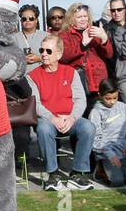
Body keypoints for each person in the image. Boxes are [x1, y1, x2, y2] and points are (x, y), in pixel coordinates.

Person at [26, 34, 95, 191]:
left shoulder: (71, 72)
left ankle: (77, 173)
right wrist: (53, 118)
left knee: (88, 127)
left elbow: (80, 99)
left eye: (48, 51)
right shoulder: (32, 76)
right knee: (43, 128)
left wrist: (72, 118)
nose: (43, 54)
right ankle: (53, 174)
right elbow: (35, 104)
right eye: (41, 50)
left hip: (69, 118)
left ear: (59, 54)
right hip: (47, 119)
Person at [58, 3, 113, 112]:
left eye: (85, 16)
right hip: (78, 82)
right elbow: (64, 56)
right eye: (79, 17)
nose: (83, 19)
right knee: (82, 113)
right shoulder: (64, 35)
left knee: (99, 113)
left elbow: (109, 54)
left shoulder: (94, 31)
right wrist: (82, 45)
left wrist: (104, 39)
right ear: (71, 18)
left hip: (98, 82)